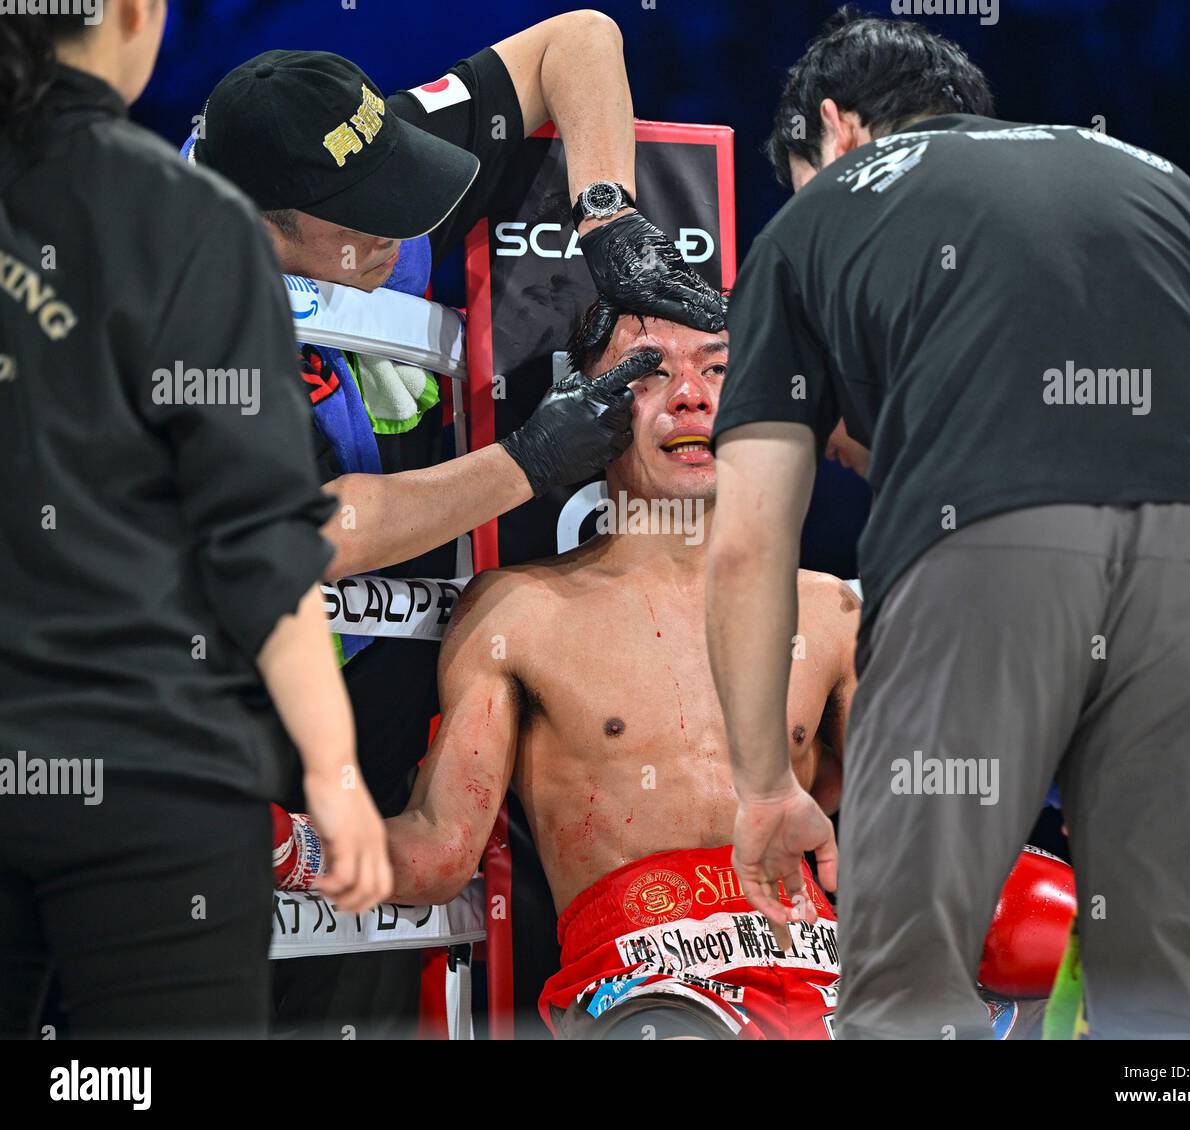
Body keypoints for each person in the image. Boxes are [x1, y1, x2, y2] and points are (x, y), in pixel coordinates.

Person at [705, 9, 1190, 1039]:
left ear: (834, 130)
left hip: (981, 548)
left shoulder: (818, 214)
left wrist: (762, 783)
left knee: (903, 987)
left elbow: (750, 537)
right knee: (1170, 1007)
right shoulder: (1165, 182)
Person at [272, 297, 1078, 1039]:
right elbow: (439, 851)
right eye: (649, 371)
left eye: (719, 368)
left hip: (828, 986)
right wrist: (278, 846)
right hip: (642, 992)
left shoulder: (830, 611)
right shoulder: (518, 613)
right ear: (586, 408)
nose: (690, 395)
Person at [186, 12, 723, 1038]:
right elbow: (303, 529)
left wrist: (607, 219)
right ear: (264, 222)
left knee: (364, 992)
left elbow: (583, 38)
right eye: (363, 216)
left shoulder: (332, 136)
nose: (400, 227)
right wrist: (523, 465)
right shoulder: (175, 305)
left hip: (370, 714)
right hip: (212, 699)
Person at [0, 1, 389, 1040]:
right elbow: (261, 536)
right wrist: (334, 769)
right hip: (150, 772)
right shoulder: (183, 215)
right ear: (133, 13)